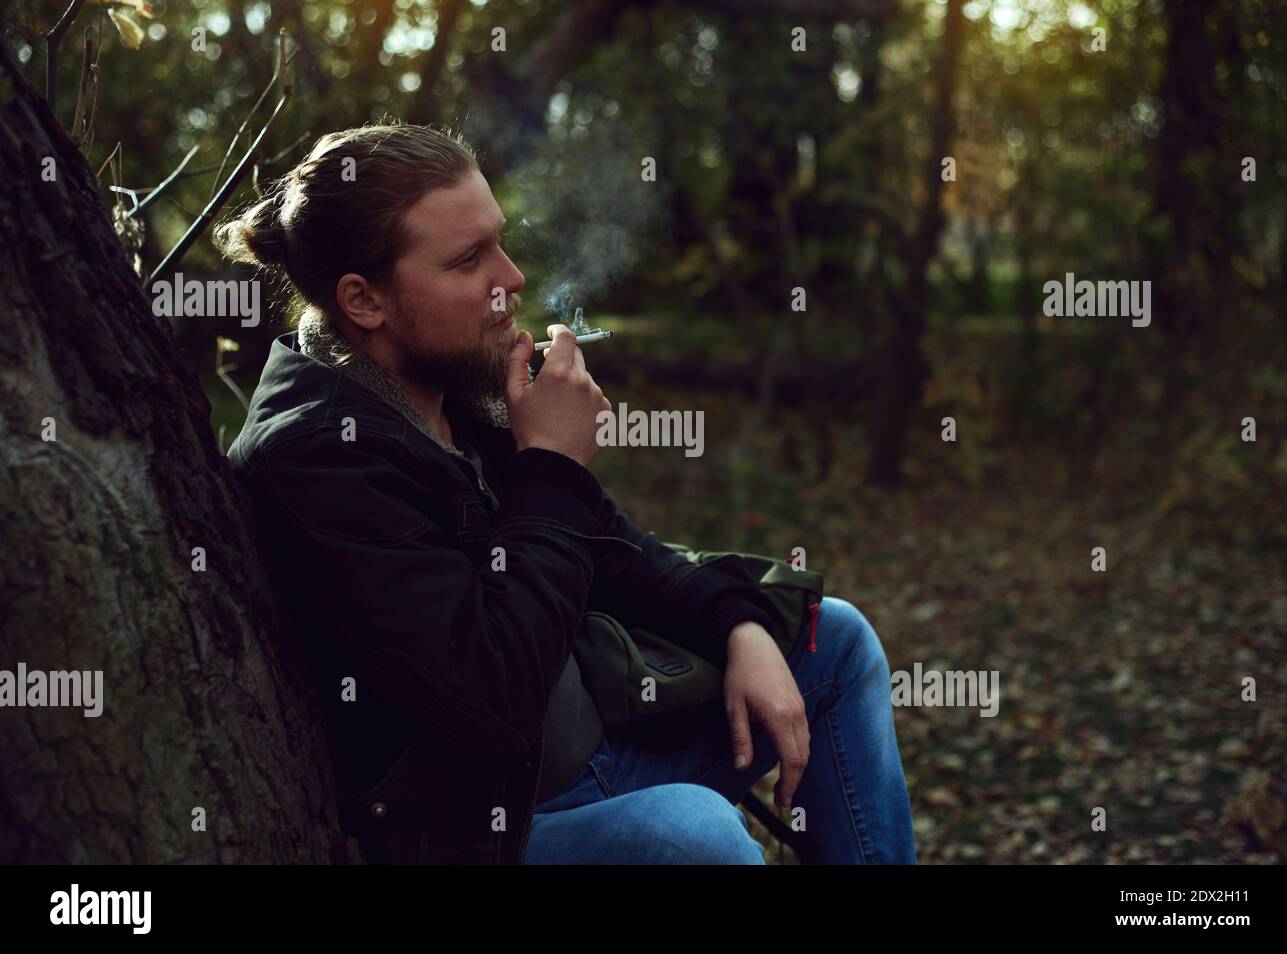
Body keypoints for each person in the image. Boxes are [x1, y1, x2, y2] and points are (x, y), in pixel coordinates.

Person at [217, 122, 916, 864]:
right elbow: (493, 701)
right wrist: (552, 464)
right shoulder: (319, 457)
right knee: (698, 837)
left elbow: (617, 551)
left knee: (830, 638)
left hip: (594, 753)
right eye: (469, 260)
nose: (511, 278)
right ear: (364, 301)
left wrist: (736, 624)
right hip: (488, 825)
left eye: (500, 242)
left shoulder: (451, 393)